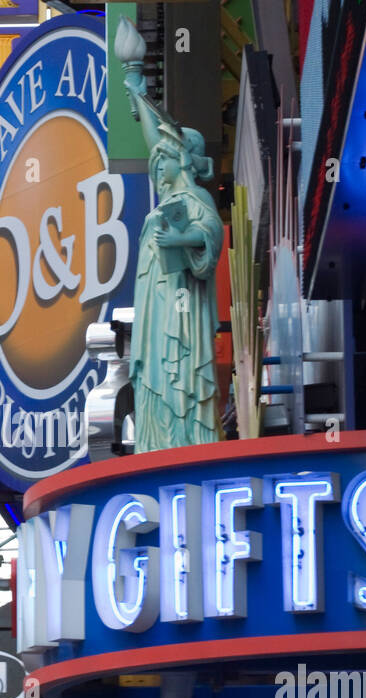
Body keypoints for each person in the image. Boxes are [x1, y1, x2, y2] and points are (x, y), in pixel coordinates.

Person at [117, 18, 224, 454]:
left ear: (181, 160)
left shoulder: (194, 197)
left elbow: (210, 234)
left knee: (177, 373)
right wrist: (132, 79)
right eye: (155, 160)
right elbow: (155, 134)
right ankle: (157, 443)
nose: (156, 166)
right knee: (154, 377)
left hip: (180, 309)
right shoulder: (166, 201)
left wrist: (178, 242)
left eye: (163, 159)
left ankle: (186, 443)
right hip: (156, 309)